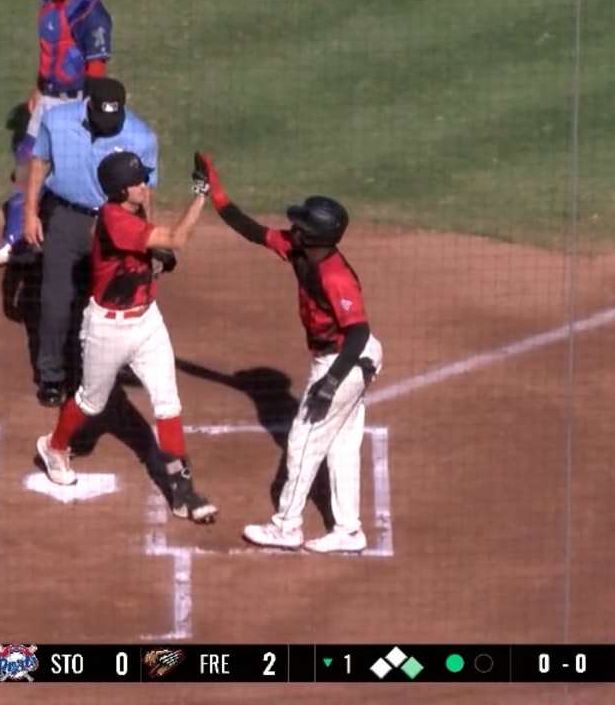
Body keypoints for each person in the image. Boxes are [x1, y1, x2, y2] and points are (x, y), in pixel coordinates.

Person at [193, 152, 381, 554]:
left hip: (347, 358)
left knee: (303, 441)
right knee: (342, 445)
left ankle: (287, 527)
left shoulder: (335, 276)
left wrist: (331, 382)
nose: (292, 227)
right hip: (339, 358)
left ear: (315, 236)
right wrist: (216, 194)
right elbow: (251, 229)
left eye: (301, 225)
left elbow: (359, 332)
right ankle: (348, 531)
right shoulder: (298, 250)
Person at [35, 150, 218, 525]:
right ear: (120, 190)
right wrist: (201, 194)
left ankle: (183, 494)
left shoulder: (130, 212)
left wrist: (153, 261)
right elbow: (177, 239)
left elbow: (141, 253)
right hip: (108, 328)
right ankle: (54, 447)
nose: (145, 185)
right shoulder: (116, 219)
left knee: (168, 403)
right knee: (91, 402)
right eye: (137, 182)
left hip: (147, 323)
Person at [0, 0, 113, 268]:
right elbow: (49, 55)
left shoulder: (91, 15)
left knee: (76, 175)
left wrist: (87, 114)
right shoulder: (49, 3)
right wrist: (37, 90)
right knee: (26, 166)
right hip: (48, 99)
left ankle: (98, 246)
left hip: (75, 103)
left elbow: (96, 70)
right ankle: (18, 241)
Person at [20, 76, 158, 407]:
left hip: (115, 223)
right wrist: (30, 213)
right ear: (88, 105)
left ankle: (96, 372)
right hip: (67, 218)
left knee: (108, 301)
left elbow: (144, 192)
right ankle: (51, 376)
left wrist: (149, 236)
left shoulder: (141, 136)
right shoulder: (57, 120)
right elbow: (39, 165)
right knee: (56, 299)